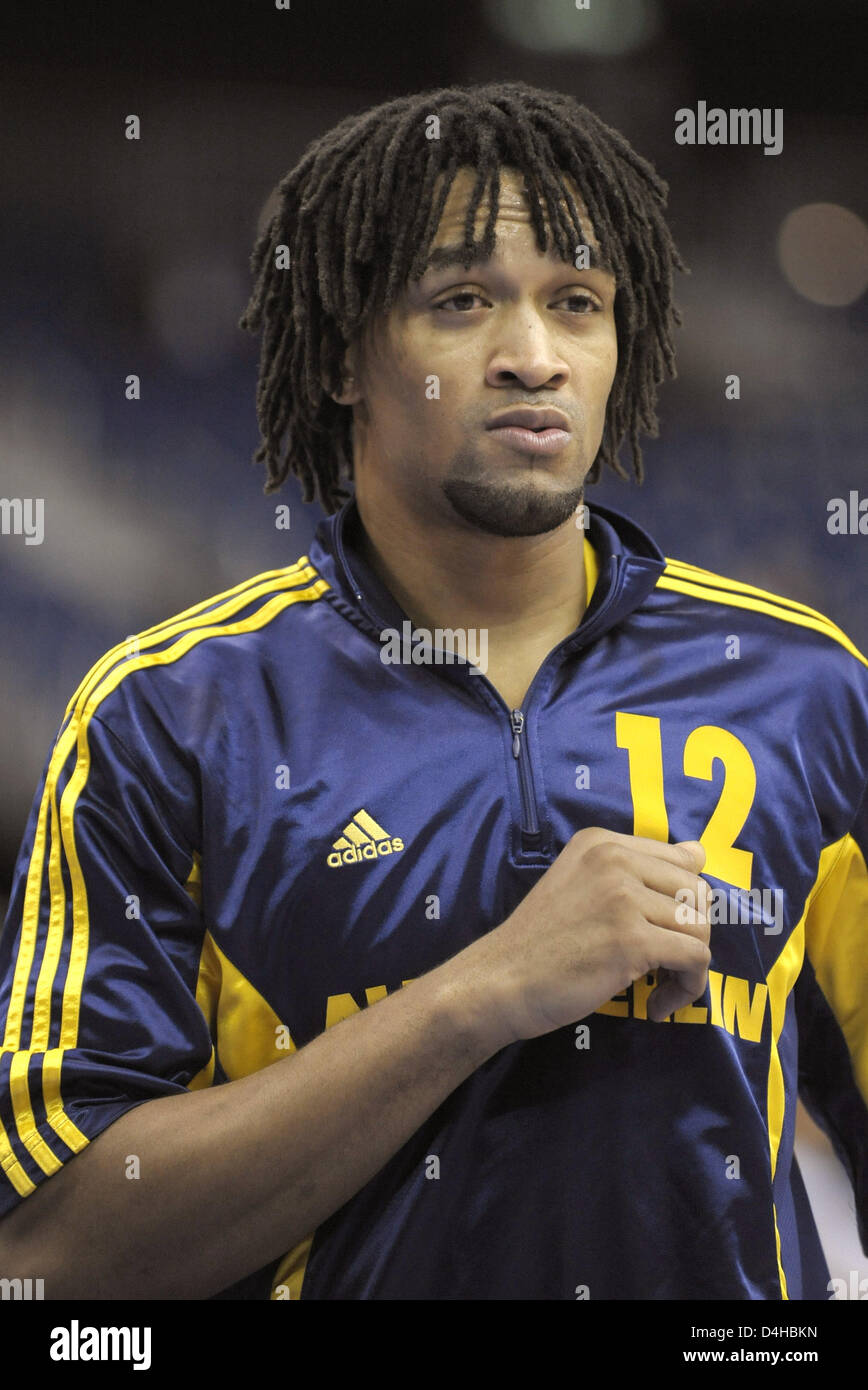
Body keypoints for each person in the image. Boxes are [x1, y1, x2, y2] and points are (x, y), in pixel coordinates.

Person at [0, 81, 865, 1301]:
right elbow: (54, 1256)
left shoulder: (807, 690)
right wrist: (488, 992)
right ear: (348, 355)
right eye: (462, 302)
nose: (532, 355)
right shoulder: (169, 717)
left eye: (577, 304)